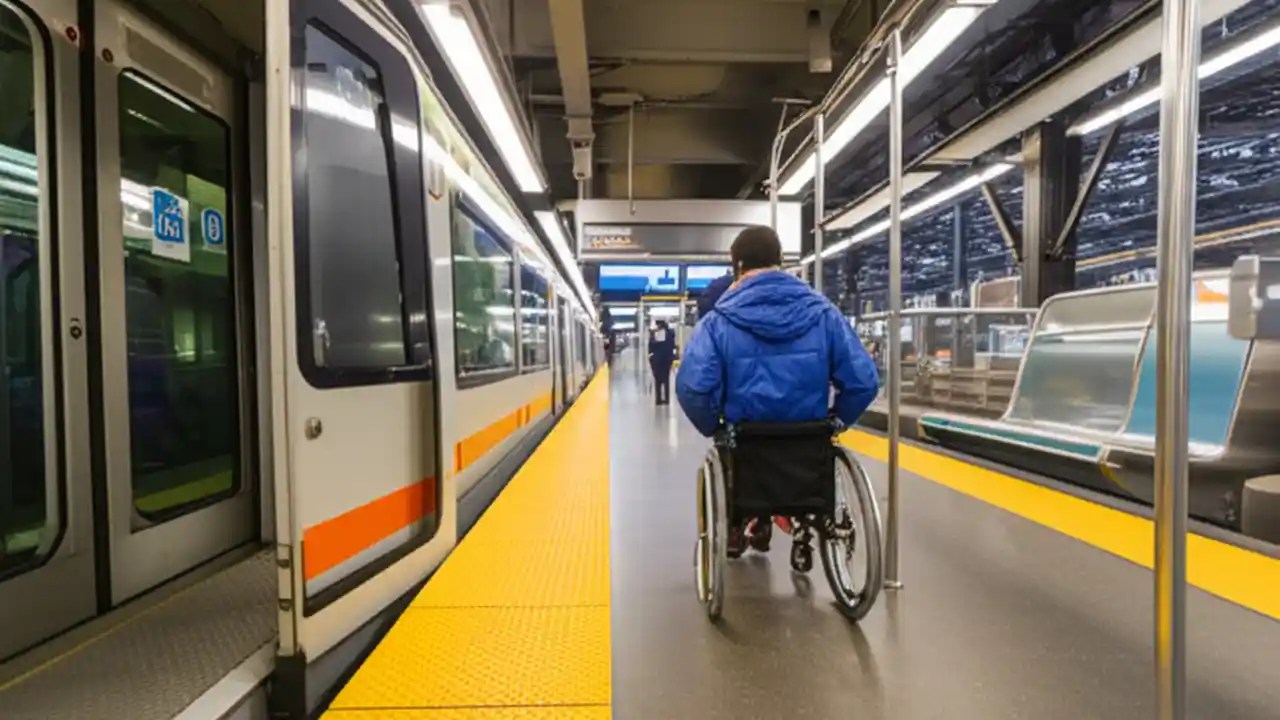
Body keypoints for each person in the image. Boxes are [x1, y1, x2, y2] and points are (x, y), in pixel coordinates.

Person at [676, 225, 879, 553]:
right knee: (819, 453)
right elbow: (864, 381)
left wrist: (713, 425)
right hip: (809, 442)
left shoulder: (717, 322)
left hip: (745, 440)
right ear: (780, 262)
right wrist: (837, 420)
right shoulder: (825, 314)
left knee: (728, 454)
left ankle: (739, 525)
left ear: (738, 268)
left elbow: (693, 389)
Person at [648, 319, 677, 405]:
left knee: (658, 380)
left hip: (658, 360)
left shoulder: (656, 334)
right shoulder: (669, 334)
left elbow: (651, 348)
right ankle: (666, 399)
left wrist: (651, 358)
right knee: (665, 379)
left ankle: (659, 399)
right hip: (665, 359)